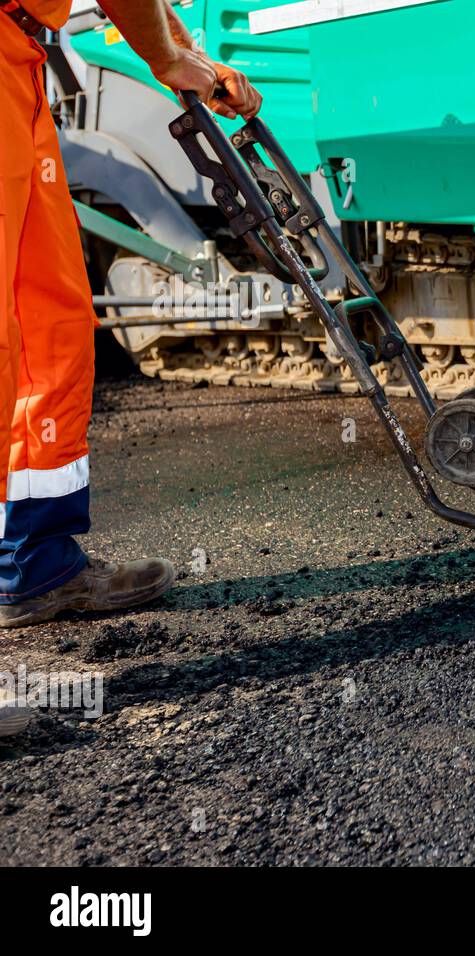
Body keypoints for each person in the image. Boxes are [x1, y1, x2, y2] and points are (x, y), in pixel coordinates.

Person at [0, 0, 260, 641]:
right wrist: (170, 59)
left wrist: (181, 55)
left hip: (18, 60)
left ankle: (33, 563)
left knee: (47, 321)